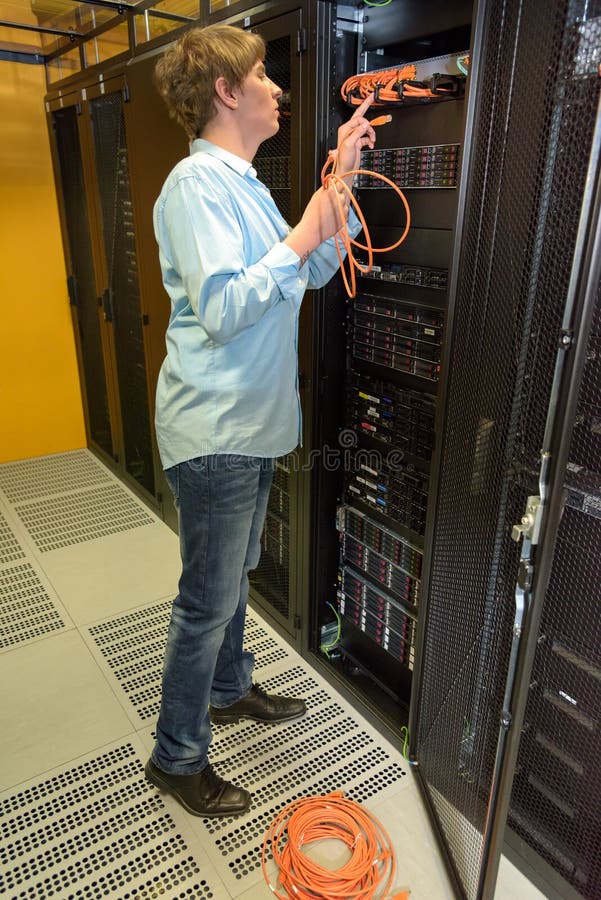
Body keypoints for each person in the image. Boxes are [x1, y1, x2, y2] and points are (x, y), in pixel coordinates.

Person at [145, 23, 376, 818]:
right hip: (213, 429)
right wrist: (304, 232)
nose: (277, 88)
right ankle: (176, 757)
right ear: (225, 90)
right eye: (263, 76)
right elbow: (222, 309)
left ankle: (228, 688)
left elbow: (308, 269)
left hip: (250, 424)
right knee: (206, 600)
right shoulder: (194, 187)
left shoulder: (242, 186)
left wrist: (341, 184)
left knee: (233, 575)